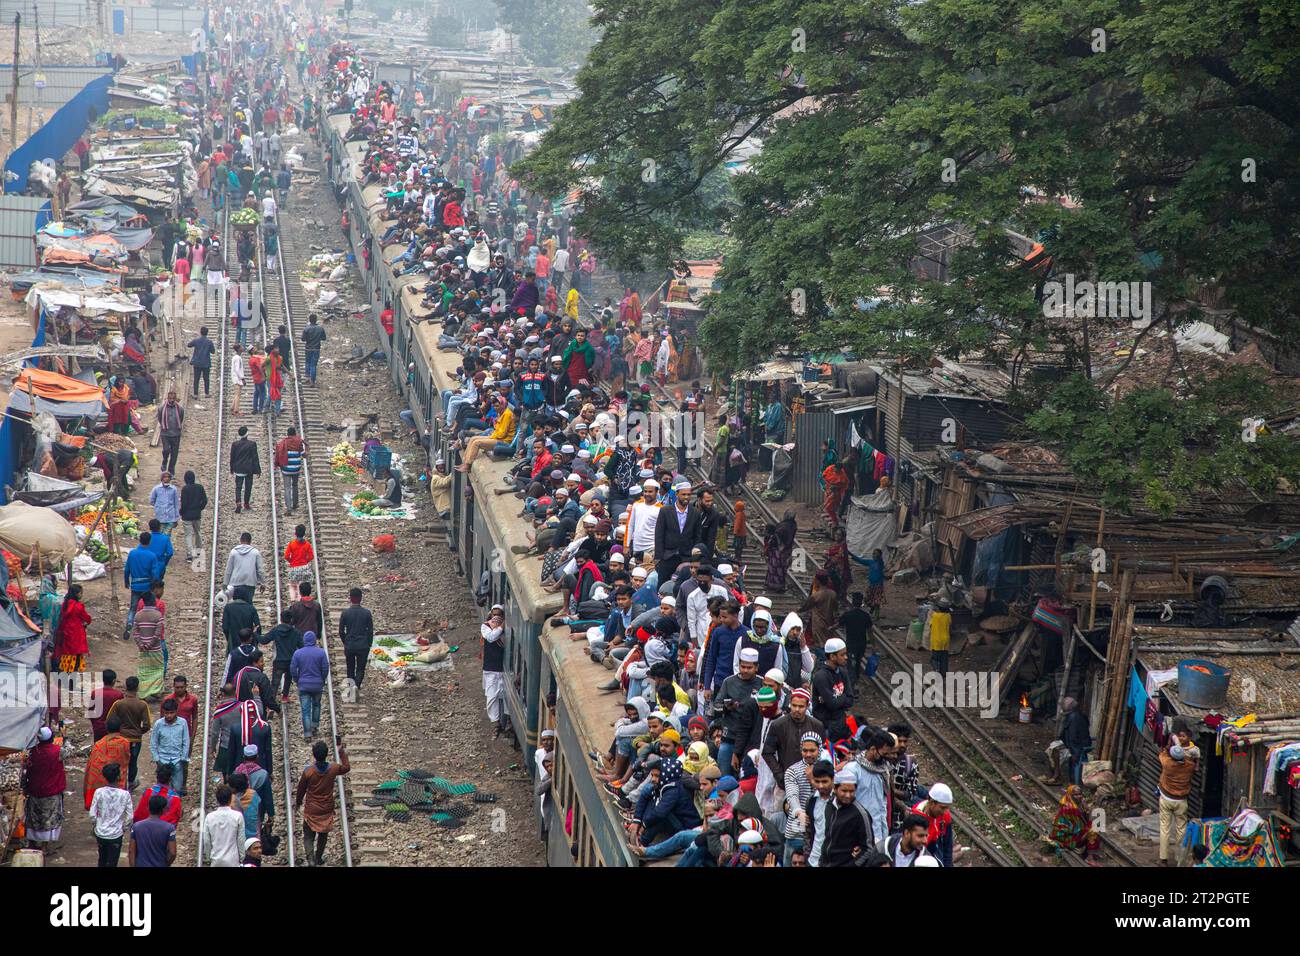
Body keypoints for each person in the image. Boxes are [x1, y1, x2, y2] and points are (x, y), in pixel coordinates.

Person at [294, 738, 350, 867]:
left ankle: (311, 859)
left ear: (314, 754)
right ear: (326, 754)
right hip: (326, 808)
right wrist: (341, 750)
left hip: (312, 809)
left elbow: (301, 790)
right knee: (323, 834)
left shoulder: (308, 771)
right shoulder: (334, 768)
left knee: (308, 835)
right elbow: (347, 767)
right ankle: (318, 857)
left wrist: (298, 803)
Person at [811, 769, 874, 866]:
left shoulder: (860, 814)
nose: (848, 795)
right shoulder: (829, 806)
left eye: (851, 791)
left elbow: (868, 849)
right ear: (835, 789)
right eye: (844, 791)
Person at [1158, 731, 1199, 866]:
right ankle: (1179, 859)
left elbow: (1162, 753)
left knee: (1165, 828)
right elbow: (1192, 758)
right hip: (1181, 801)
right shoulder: (1189, 766)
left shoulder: (1167, 763)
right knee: (1181, 830)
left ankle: (1163, 858)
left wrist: (1171, 743)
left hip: (1166, 798)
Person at [23, 726, 66, 853]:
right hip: (52, 791)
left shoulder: (32, 752)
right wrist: (64, 736)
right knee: (49, 819)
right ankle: (45, 846)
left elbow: (27, 771)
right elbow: (68, 752)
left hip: (35, 790)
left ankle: (32, 842)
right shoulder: (58, 751)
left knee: (34, 818)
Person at [106, 676, 151, 789]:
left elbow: (109, 720)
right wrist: (139, 732)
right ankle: (131, 783)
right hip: (136, 739)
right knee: (133, 762)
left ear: (126, 687)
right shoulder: (142, 704)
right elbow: (147, 725)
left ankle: (119, 782)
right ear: (137, 688)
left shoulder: (118, 704)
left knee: (120, 760)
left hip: (121, 737)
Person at [87, 762, 132, 867]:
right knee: (112, 862)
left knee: (102, 859)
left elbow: (92, 814)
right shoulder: (125, 794)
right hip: (116, 834)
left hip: (101, 832)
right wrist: (123, 828)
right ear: (118, 777)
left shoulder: (99, 792)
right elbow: (129, 817)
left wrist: (96, 825)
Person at [810, 638, 855, 741]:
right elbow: (832, 704)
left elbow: (851, 700)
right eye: (842, 655)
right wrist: (843, 697)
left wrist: (836, 699)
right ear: (832, 656)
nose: (846, 657)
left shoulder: (843, 673)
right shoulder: (821, 676)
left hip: (840, 725)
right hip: (825, 728)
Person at [290, 630, 329, 741]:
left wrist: (297, 680)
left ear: (304, 640)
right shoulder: (321, 652)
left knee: (305, 710)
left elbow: (293, 669)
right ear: (314, 640)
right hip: (317, 685)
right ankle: (315, 726)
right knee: (317, 705)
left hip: (303, 685)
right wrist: (322, 679)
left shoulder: (298, 653)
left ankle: (307, 733)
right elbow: (325, 668)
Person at [150, 697, 191, 795]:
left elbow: (186, 741)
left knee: (177, 788)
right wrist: (157, 759)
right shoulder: (158, 724)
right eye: (166, 713)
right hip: (162, 761)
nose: (169, 716)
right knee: (162, 789)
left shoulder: (182, 723)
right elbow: (153, 743)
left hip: (177, 760)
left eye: (171, 713)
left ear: (176, 711)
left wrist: (183, 758)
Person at [339, 587, 374, 699]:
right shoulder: (367, 613)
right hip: (363, 645)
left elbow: (341, 631)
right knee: (360, 668)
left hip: (350, 644)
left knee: (350, 667)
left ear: (350, 598)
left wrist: (346, 641)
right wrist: (369, 643)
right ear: (361, 598)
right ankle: (357, 685)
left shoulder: (345, 613)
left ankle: (351, 689)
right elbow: (370, 631)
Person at [123, 532, 160, 637]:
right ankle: (149, 627)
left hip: (135, 586)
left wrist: (126, 581)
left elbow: (127, 569)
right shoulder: (152, 556)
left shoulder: (132, 553)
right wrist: (155, 584)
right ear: (149, 542)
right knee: (150, 606)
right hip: (147, 587)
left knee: (133, 608)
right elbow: (155, 573)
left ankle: (129, 627)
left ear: (139, 540)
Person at [129, 794, 177, 867]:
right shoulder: (169, 828)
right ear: (163, 809)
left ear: (148, 808)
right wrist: (166, 864)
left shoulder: (136, 826)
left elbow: (131, 851)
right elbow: (172, 853)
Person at [203, 784, 246, 867]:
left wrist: (208, 857)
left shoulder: (209, 817)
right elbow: (241, 839)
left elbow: (207, 841)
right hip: (233, 860)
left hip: (216, 860)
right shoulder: (238, 816)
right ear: (230, 798)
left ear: (217, 799)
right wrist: (241, 857)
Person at [53, 584, 91, 676]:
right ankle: (72, 684)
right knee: (76, 660)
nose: (81, 594)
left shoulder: (65, 604)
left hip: (66, 634)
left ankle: (66, 680)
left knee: (67, 657)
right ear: (77, 594)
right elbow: (87, 618)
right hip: (76, 635)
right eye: (80, 593)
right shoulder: (78, 606)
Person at [481, 605, 507, 737]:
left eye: (499, 615)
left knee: (504, 696)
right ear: (490, 614)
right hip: (491, 668)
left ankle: (505, 721)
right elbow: (491, 637)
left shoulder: (505, 629)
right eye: (494, 614)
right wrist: (501, 627)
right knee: (492, 697)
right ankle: (495, 723)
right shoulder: (485, 626)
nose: (496, 617)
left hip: (503, 669)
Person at [839, 592, 873, 687]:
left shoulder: (847, 614)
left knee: (850, 664)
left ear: (853, 602)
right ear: (861, 602)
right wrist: (874, 645)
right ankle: (855, 682)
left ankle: (852, 685)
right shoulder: (865, 616)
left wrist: (830, 628)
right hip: (862, 645)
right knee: (858, 662)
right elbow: (870, 631)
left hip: (851, 644)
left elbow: (838, 624)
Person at [275, 426, 307, 513]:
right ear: (295, 433)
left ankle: (288, 508)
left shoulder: (283, 442)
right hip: (296, 468)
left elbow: (278, 453)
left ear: (287, 434)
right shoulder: (299, 441)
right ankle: (295, 504)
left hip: (286, 468)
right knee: (295, 485)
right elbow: (304, 455)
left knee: (287, 488)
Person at [230, 425, 261, 512]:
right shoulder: (252, 444)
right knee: (248, 487)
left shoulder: (235, 444)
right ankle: (246, 504)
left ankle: (238, 502)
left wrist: (232, 468)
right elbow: (255, 458)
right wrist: (258, 470)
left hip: (238, 468)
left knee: (238, 487)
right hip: (248, 469)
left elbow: (232, 457)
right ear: (247, 434)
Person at [179, 471, 208, 563]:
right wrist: (200, 508)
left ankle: (190, 554)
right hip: (197, 514)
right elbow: (205, 500)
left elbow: (184, 503)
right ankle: (199, 551)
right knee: (197, 532)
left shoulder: (185, 489)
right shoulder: (200, 487)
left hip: (187, 516)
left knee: (188, 535)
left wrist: (182, 512)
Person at [157, 391, 184, 475]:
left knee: (174, 454)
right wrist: (164, 426)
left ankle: (171, 470)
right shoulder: (161, 408)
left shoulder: (180, 408)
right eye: (170, 398)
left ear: (175, 399)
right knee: (166, 449)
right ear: (167, 398)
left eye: (173, 399)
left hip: (176, 433)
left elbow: (181, 418)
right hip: (165, 433)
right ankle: (164, 461)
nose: (171, 400)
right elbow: (160, 419)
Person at [188, 327, 215, 397]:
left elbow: (189, 345)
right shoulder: (209, 342)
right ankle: (207, 393)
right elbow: (213, 351)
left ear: (200, 332)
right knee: (206, 379)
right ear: (207, 333)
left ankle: (195, 394)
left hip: (197, 363)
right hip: (206, 363)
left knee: (196, 379)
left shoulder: (196, 341)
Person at [303, 312, 326, 383]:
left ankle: (307, 378)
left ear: (310, 320)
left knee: (307, 362)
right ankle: (312, 381)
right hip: (316, 349)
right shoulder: (320, 329)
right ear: (316, 320)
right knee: (313, 365)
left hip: (308, 348)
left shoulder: (306, 329)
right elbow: (324, 338)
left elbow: (303, 339)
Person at [230, 342, 246, 415]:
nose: (243, 348)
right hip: (237, 378)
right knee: (238, 395)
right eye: (241, 347)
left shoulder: (236, 357)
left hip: (236, 378)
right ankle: (236, 410)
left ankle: (232, 407)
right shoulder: (237, 358)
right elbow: (237, 369)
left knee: (237, 394)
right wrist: (242, 378)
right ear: (239, 349)